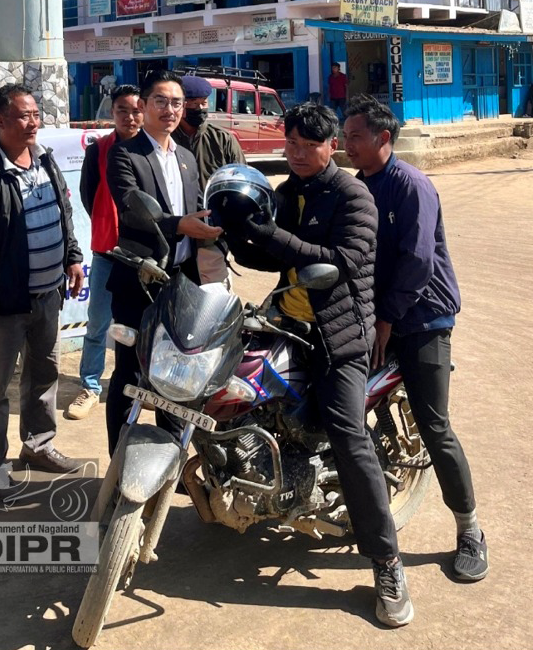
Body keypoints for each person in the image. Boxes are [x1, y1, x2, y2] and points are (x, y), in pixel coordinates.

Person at [228, 102, 413, 627]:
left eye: (310, 146)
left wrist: (266, 232)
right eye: (291, 145)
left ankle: (387, 563)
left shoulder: (355, 195)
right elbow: (273, 257)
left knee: (349, 438)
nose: (299, 155)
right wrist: (234, 231)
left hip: (341, 337)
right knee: (234, 393)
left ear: (332, 145)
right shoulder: (287, 193)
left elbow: (338, 260)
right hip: (287, 321)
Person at [344, 94, 488, 582]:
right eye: (344, 137)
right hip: (378, 317)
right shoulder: (358, 187)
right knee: (343, 410)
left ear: (384, 139)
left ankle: (470, 528)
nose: (348, 146)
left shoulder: (411, 185)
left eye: (356, 137)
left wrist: (386, 317)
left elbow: (419, 261)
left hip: (423, 319)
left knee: (434, 425)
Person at [0, 83, 85, 490]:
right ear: (0, 121)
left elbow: (64, 212)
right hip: (5, 303)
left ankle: (38, 446)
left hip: (49, 295)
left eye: (36, 114)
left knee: (44, 375)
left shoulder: (45, 160)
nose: (34, 123)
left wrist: (73, 257)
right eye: (25, 115)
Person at [104, 69, 222, 456]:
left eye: (176, 103)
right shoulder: (125, 153)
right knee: (131, 374)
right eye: (161, 101)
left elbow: (194, 212)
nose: (170, 110)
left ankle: (171, 459)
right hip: (139, 281)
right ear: (143, 105)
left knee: (177, 375)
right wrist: (180, 226)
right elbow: (131, 210)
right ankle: (120, 462)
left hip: (180, 283)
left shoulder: (186, 156)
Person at [65, 84, 143, 421]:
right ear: (112, 113)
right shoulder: (98, 151)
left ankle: (142, 384)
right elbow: (88, 195)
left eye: (136, 110)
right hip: (108, 252)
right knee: (98, 323)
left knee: (145, 325)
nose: (130, 116)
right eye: (122, 110)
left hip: (147, 258)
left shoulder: (155, 149)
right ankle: (91, 386)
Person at [173, 74, 246, 286]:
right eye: (192, 104)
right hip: (174, 236)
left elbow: (240, 185)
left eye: (204, 103)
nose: (199, 109)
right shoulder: (165, 139)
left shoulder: (223, 140)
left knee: (215, 297)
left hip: (212, 238)